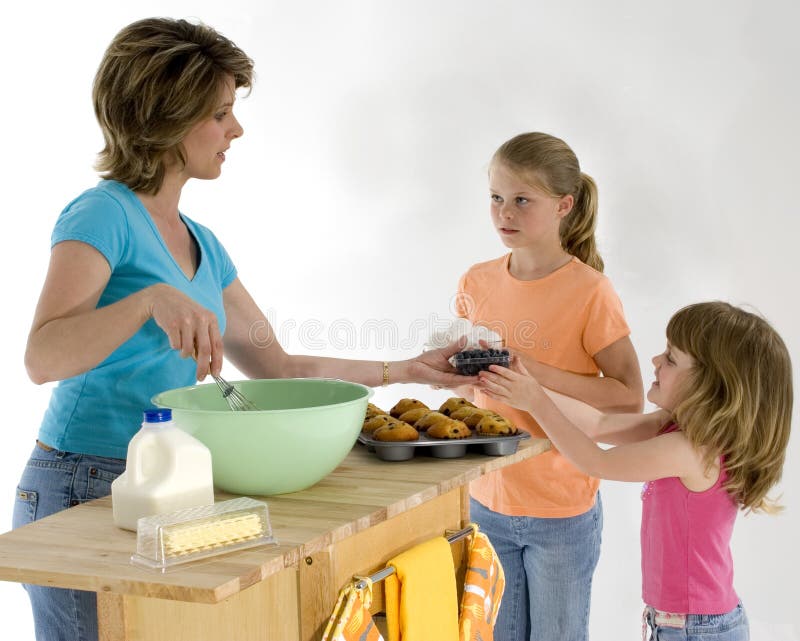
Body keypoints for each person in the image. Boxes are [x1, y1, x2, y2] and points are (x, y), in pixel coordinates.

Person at [14, 18, 472, 641]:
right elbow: (42, 356)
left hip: (168, 483)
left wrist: (409, 371)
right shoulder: (103, 213)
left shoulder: (203, 243)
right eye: (221, 113)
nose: (237, 129)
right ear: (169, 117)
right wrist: (150, 300)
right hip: (83, 480)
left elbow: (280, 370)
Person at [478, 301, 792, 641]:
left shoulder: (691, 451)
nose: (656, 361)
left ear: (713, 386)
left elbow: (596, 461)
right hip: (680, 623)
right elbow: (599, 424)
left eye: (671, 358)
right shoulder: (675, 428)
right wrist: (523, 385)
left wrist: (535, 401)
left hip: (694, 629)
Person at [453, 132, 644, 641]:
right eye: (495, 198)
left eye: (521, 200)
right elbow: (472, 393)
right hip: (485, 500)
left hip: (561, 509)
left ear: (564, 205)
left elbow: (629, 395)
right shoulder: (475, 281)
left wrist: (531, 371)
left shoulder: (591, 291)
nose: (503, 213)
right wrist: (456, 380)